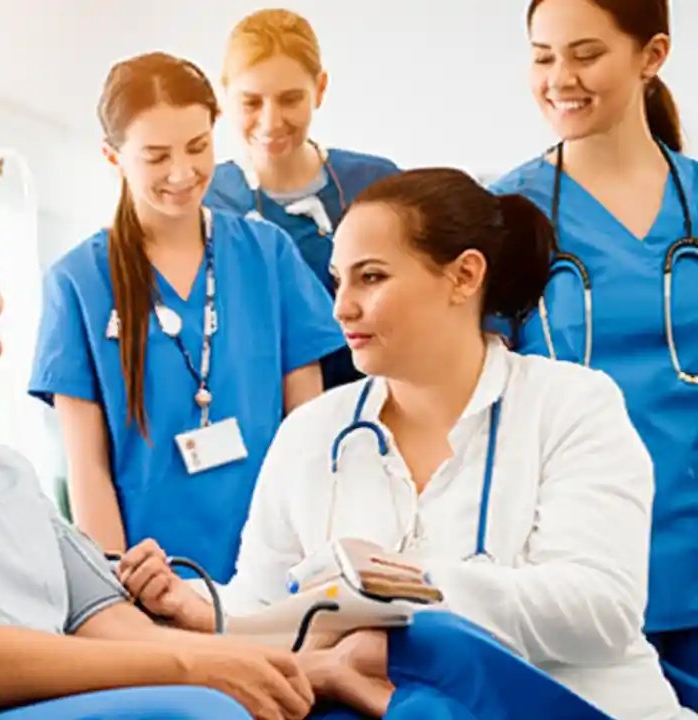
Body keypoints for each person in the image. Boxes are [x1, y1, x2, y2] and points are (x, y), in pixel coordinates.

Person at [0, 200, 410, 720]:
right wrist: (196, 671)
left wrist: (296, 670)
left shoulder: (1, 470)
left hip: (83, 698)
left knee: (373, 680)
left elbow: (114, 628)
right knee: (203, 710)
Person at [115, 168, 689, 719]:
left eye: (371, 277)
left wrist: (398, 591)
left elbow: (598, 609)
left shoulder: (571, 404)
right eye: (338, 281)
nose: (342, 307)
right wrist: (196, 606)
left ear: (464, 276)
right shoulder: (313, 432)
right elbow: (266, 606)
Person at [28, 52, 344, 584]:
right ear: (113, 157)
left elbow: (306, 433)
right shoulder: (78, 281)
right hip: (152, 576)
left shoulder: (268, 254)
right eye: (155, 156)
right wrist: (119, 592)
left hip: (277, 566)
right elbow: (88, 468)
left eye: (198, 147)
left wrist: (309, 566)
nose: (182, 172)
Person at [490, 0, 698, 708]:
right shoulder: (504, 216)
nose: (559, 78)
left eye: (584, 54)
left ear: (653, 55)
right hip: (573, 559)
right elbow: (476, 394)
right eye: (543, 56)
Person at [204, 8, 401, 390]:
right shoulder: (210, 201)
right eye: (251, 102)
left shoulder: (378, 185)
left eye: (290, 99)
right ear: (223, 97)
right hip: (262, 414)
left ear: (321, 89)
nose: (271, 121)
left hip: (378, 407)